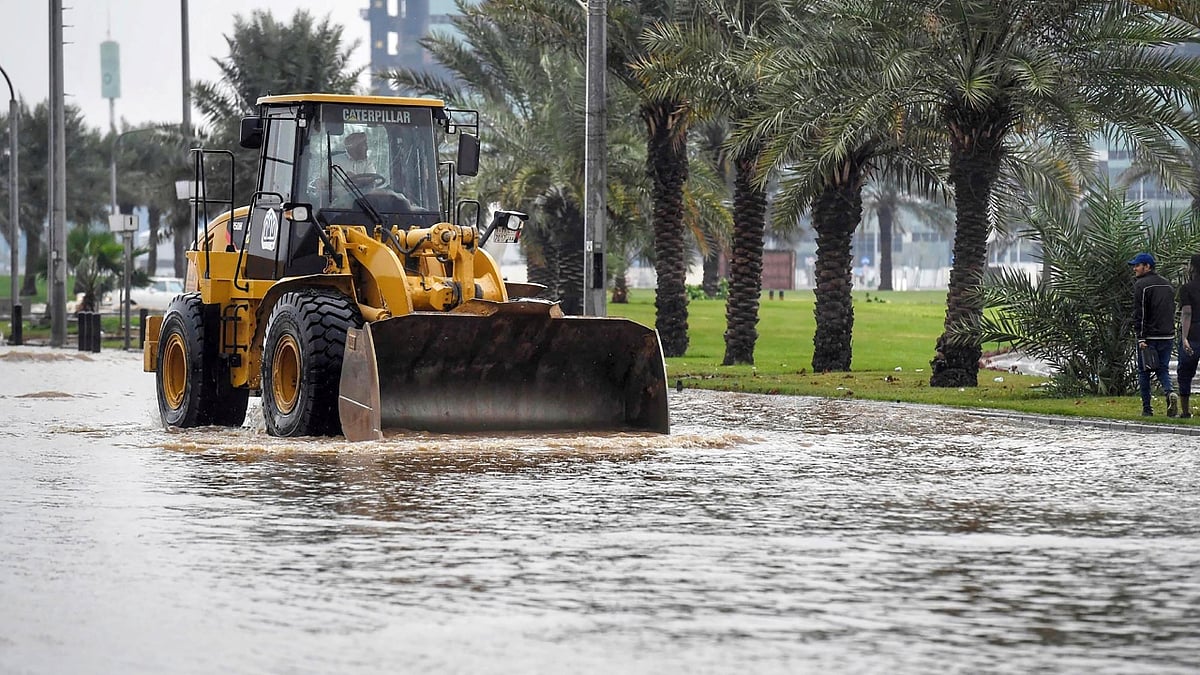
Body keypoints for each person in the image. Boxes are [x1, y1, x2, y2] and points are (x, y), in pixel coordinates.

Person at [1129, 252, 1179, 417]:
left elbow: (1140, 313)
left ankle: (1147, 409)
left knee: (1144, 371)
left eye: (1137, 265)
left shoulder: (1141, 286)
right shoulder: (1167, 285)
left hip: (1149, 337)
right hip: (1168, 335)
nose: (1135, 269)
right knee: (1162, 368)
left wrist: (1141, 337)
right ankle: (1169, 392)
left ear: (1147, 266)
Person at [1176, 253, 1200, 418]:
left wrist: (1184, 338)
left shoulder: (1187, 288)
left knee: (1185, 372)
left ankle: (1185, 411)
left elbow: (1187, 313)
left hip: (1193, 335)